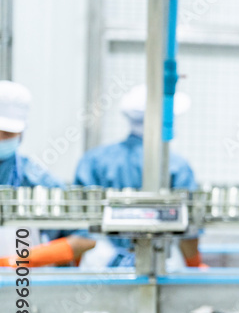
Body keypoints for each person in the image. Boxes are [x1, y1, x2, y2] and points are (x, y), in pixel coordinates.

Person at [74, 85, 201, 268]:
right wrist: (196, 265)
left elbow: (80, 224)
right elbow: (189, 232)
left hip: (101, 263)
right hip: (161, 263)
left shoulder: (94, 160)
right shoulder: (175, 165)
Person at [0, 81, 95, 267]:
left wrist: (19, 261)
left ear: (22, 133)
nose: (0, 139)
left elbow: (86, 239)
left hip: (26, 288)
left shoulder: (39, 181)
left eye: (8, 134)